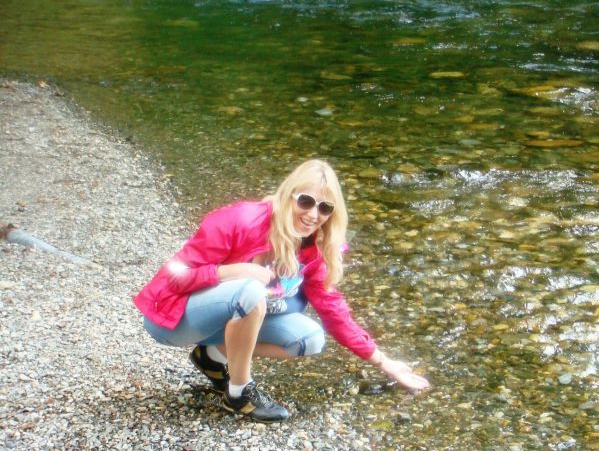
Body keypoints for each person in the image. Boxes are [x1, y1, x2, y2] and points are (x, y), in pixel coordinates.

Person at [134, 159, 430, 422]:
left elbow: (333, 310)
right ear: (288, 195)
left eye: (325, 207)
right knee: (250, 291)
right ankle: (239, 393)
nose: (313, 214)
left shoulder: (315, 247)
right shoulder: (239, 220)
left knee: (309, 339)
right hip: (175, 321)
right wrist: (232, 271)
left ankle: (212, 355)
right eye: (306, 201)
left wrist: (384, 362)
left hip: (225, 323)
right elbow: (173, 277)